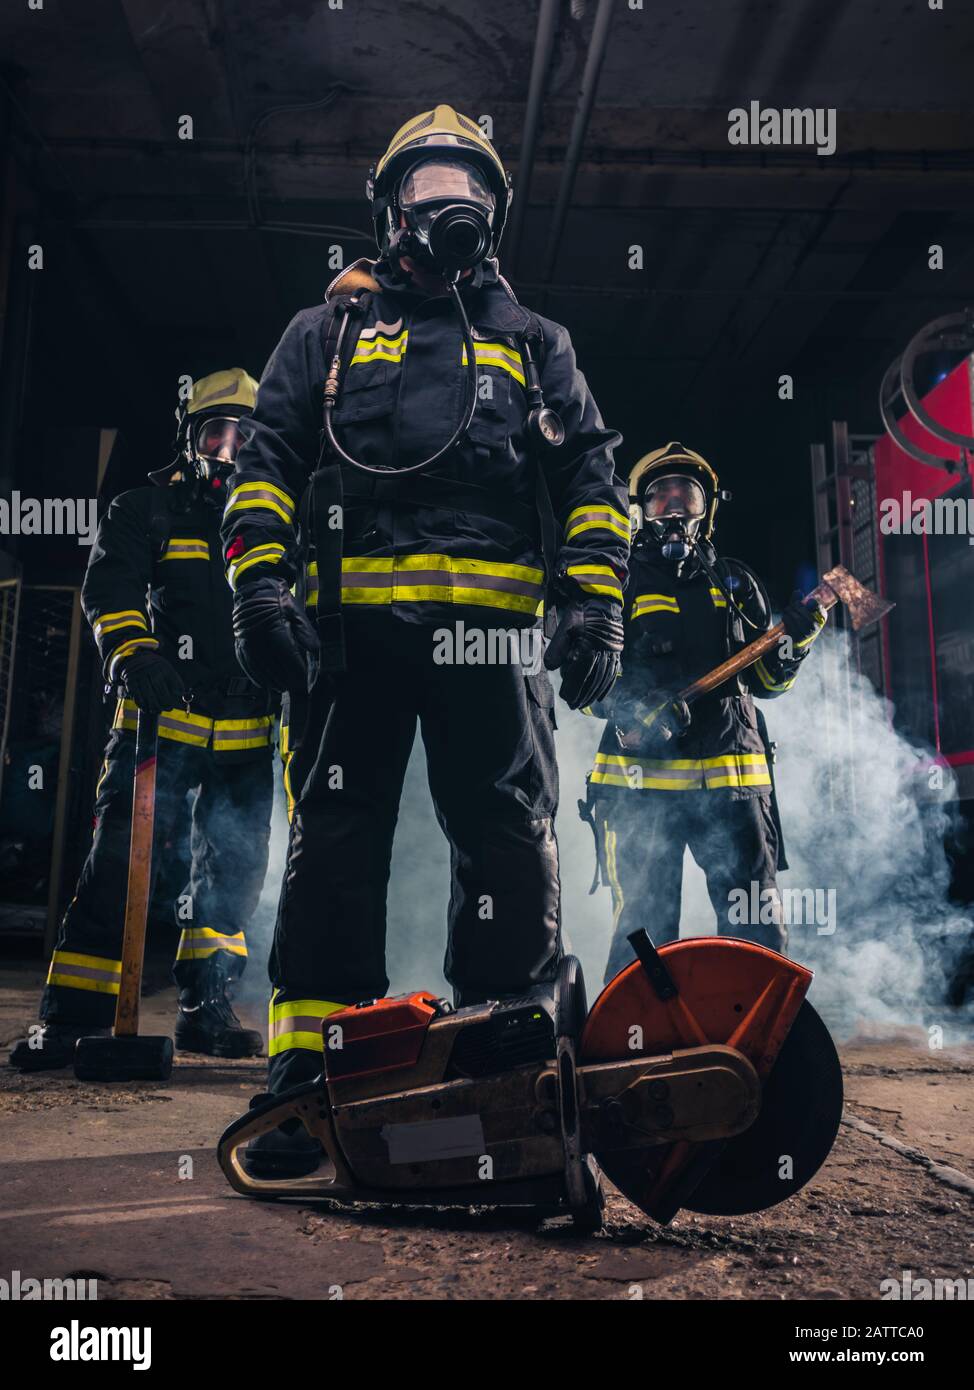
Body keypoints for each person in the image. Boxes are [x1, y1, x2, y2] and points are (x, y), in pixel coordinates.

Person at [221, 105, 630, 1162]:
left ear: (492, 215)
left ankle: (502, 1059)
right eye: (426, 187)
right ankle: (309, 1078)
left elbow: (587, 475)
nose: (450, 204)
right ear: (388, 208)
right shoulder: (325, 335)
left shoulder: (536, 343)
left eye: (470, 191)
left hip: (489, 643)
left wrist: (594, 603)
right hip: (348, 639)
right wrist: (257, 588)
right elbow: (265, 461)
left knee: (502, 833)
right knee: (336, 835)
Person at [10, 370, 274, 1070]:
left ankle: (207, 1007)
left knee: (232, 876)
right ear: (188, 441)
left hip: (249, 733)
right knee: (119, 868)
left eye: (245, 437)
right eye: (216, 433)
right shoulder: (145, 510)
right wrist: (135, 651)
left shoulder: (278, 526)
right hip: (157, 727)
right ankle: (70, 1017)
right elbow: (109, 587)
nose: (229, 449)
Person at [579, 441, 826, 982]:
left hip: (735, 792)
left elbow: (764, 685)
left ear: (705, 511)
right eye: (659, 494)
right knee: (643, 931)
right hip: (642, 794)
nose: (672, 505)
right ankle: (632, 1050)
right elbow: (590, 684)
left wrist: (795, 644)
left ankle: (759, 1050)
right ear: (639, 511)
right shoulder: (617, 582)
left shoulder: (735, 582)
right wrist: (635, 707)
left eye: (685, 495)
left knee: (756, 931)